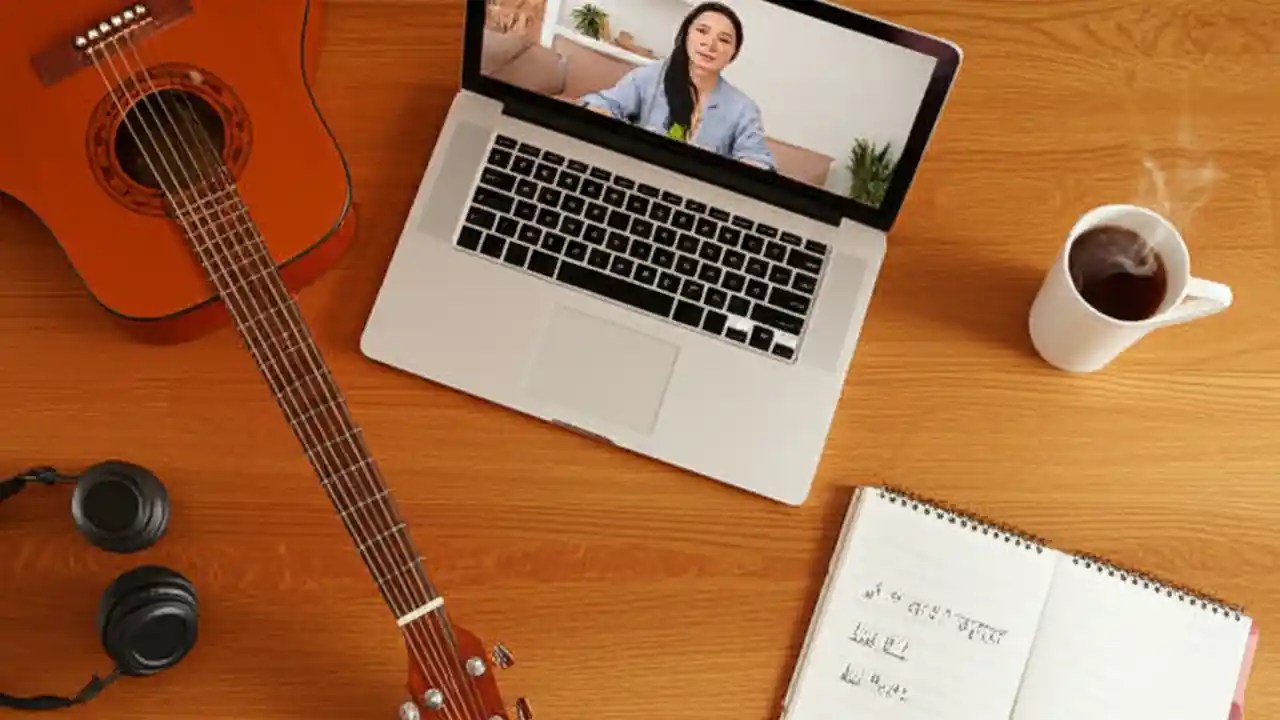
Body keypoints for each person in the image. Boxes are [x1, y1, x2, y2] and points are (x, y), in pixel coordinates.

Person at [578, 2, 776, 171]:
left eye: (724, 40)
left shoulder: (744, 109)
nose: (710, 44)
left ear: (733, 53)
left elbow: (758, 160)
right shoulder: (652, 76)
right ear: (686, 35)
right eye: (702, 31)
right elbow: (604, 103)